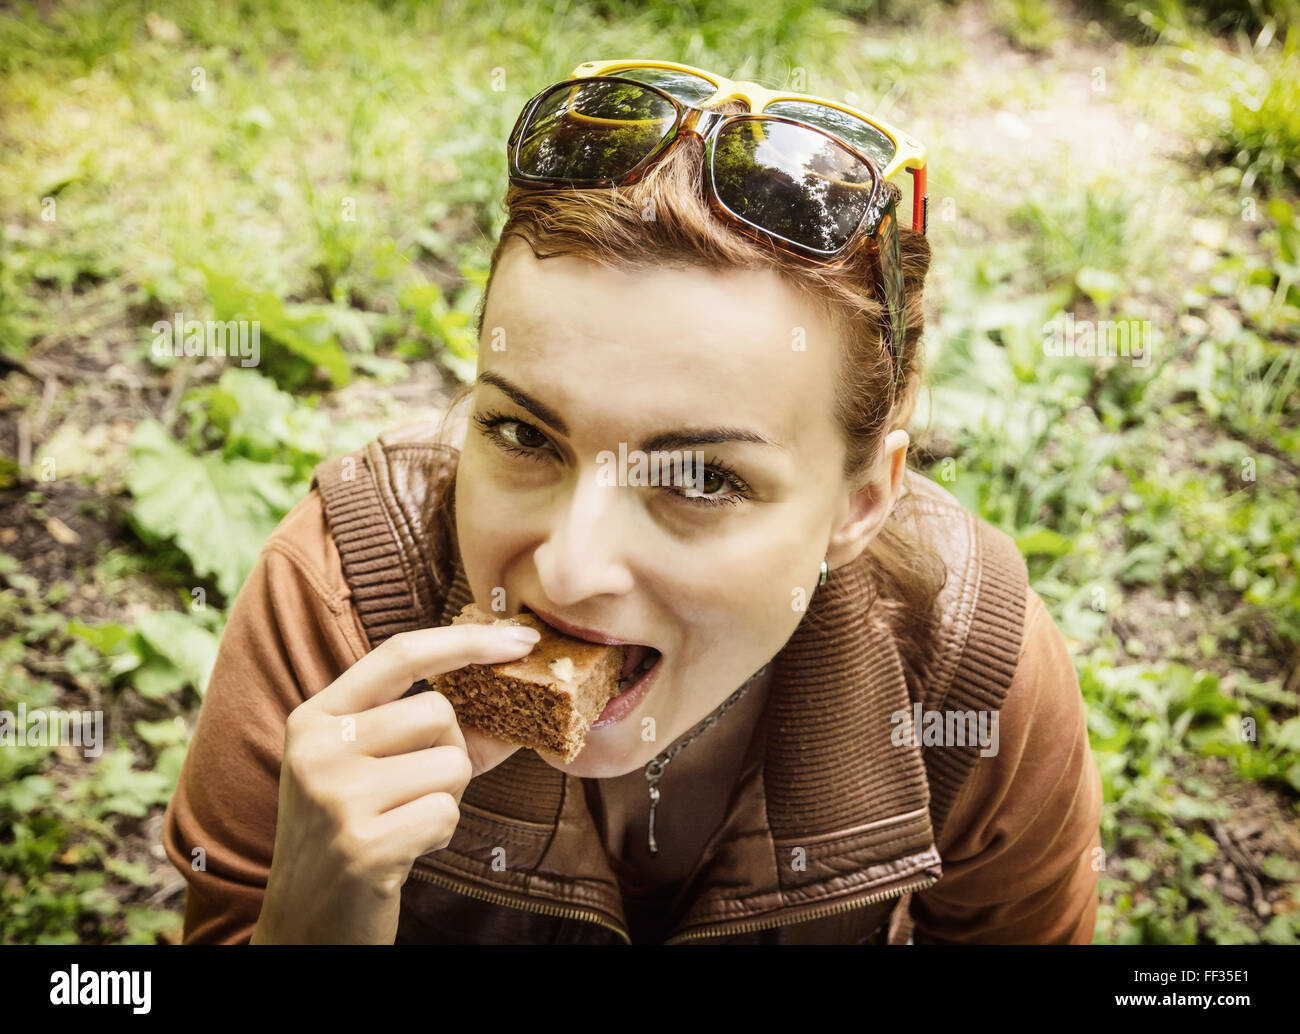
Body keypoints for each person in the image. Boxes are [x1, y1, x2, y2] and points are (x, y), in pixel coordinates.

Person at [163, 61, 1102, 945]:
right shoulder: (339, 606)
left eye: (700, 479)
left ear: (859, 504)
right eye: (524, 435)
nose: (569, 568)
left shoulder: (970, 666)